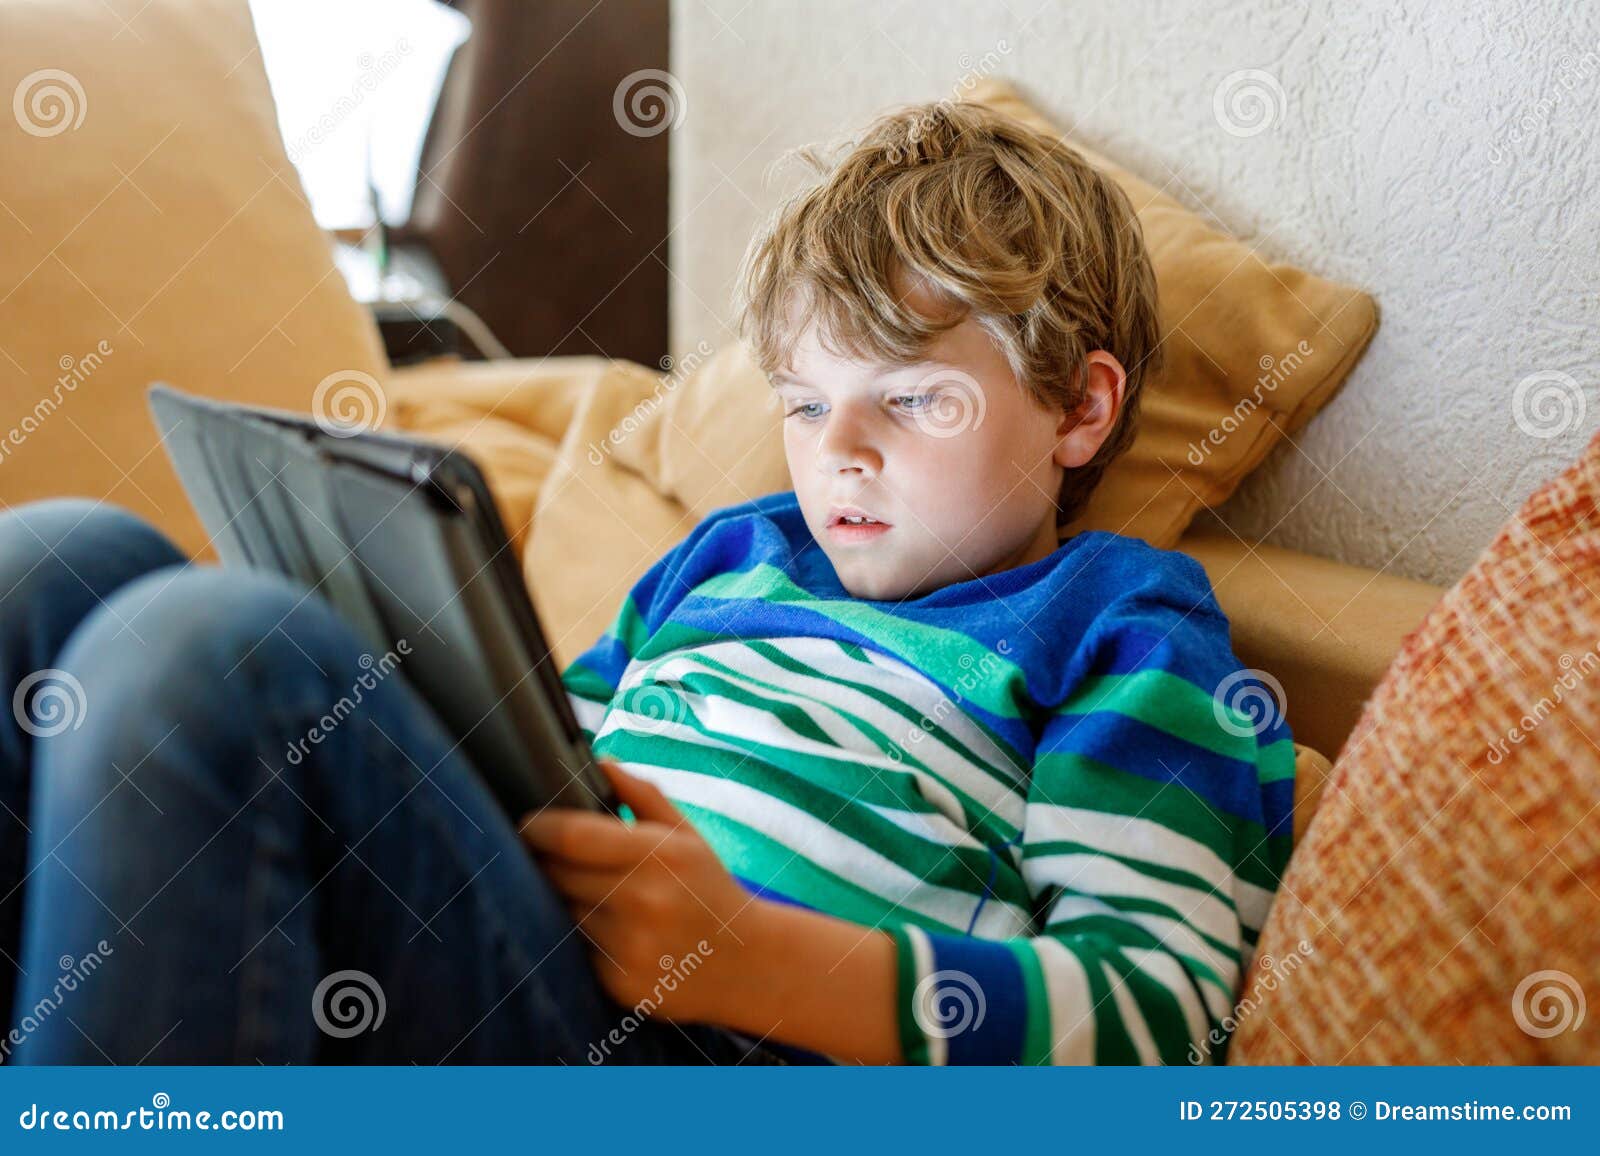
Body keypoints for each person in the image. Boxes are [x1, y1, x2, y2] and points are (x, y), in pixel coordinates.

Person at [0, 98, 1293, 1065]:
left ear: (1079, 409)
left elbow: (1160, 1018)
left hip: (703, 1057)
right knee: (60, 564)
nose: (837, 452)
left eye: (910, 399)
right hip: (514, 954)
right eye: (805, 401)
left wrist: (753, 963)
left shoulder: (1122, 626)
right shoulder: (729, 556)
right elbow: (545, 753)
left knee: (209, 650)